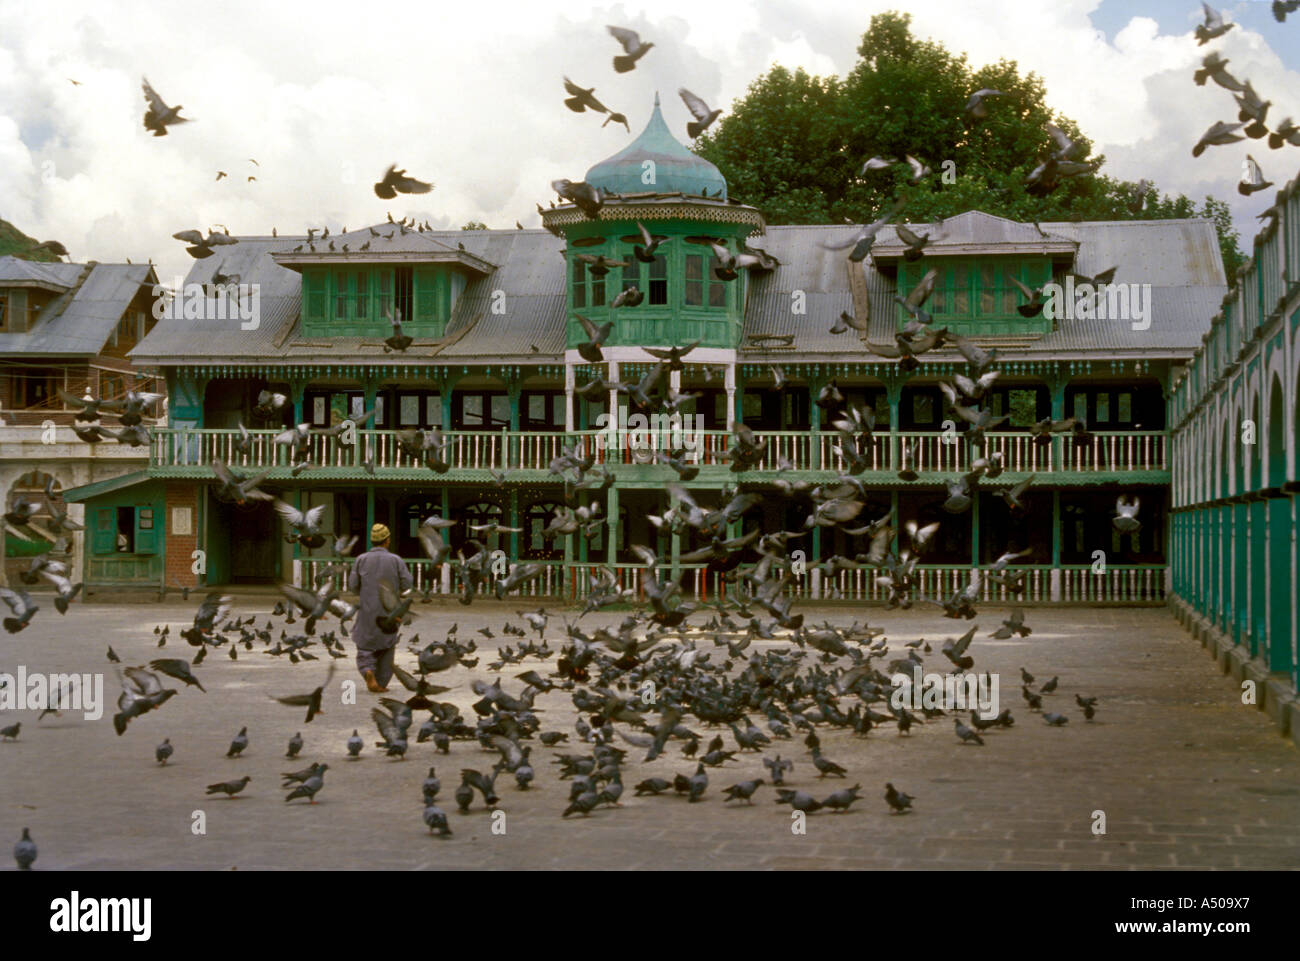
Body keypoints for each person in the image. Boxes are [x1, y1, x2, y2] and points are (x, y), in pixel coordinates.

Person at [347, 523, 412, 693]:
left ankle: (368, 670)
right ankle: (382, 681)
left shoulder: (361, 559)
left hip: (367, 609)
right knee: (387, 645)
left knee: (365, 644)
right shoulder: (396, 560)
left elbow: (353, 586)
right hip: (389, 611)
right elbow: (407, 583)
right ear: (387, 541)